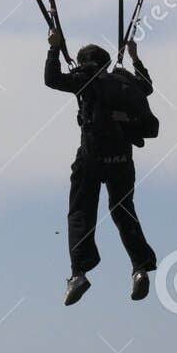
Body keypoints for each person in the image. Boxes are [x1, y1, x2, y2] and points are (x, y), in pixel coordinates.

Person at [45, 30, 158, 306]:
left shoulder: (85, 78)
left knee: (81, 212)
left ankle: (79, 273)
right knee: (123, 211)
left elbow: (52, 80)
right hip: (122, 159)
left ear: (84, 63)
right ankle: (140, 267)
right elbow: (148, 87)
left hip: (91, 160)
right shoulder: (125, 79)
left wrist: (53, 49)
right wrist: (135, 58)